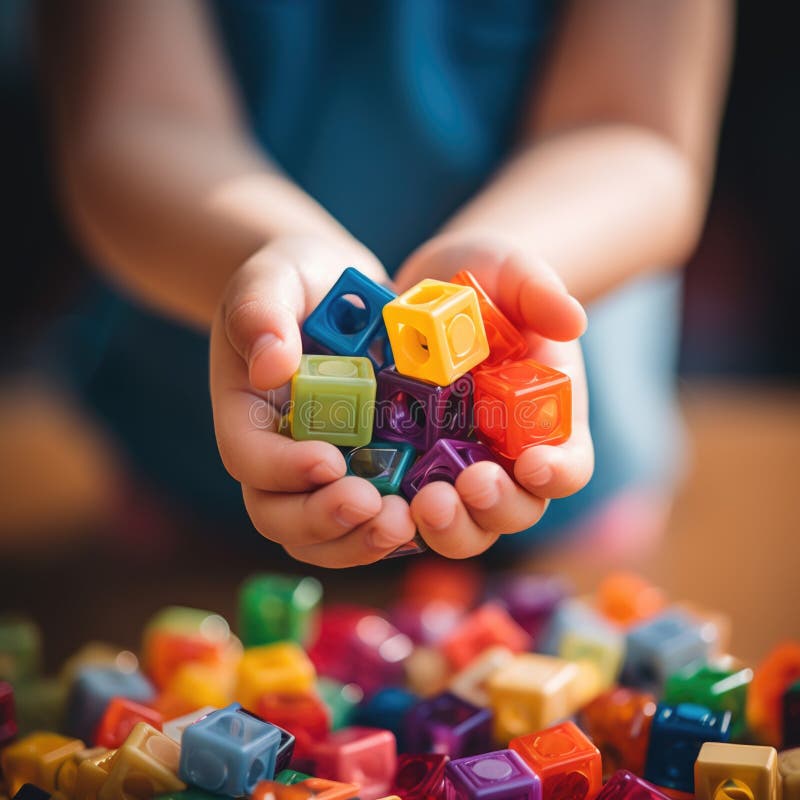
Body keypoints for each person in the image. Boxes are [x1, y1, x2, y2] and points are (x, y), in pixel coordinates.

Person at [36, 0, 733, 567]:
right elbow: (130, 123)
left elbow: (637, 135)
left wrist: (511, 265)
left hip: (556, 487)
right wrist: (274, 250)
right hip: (196, 462)